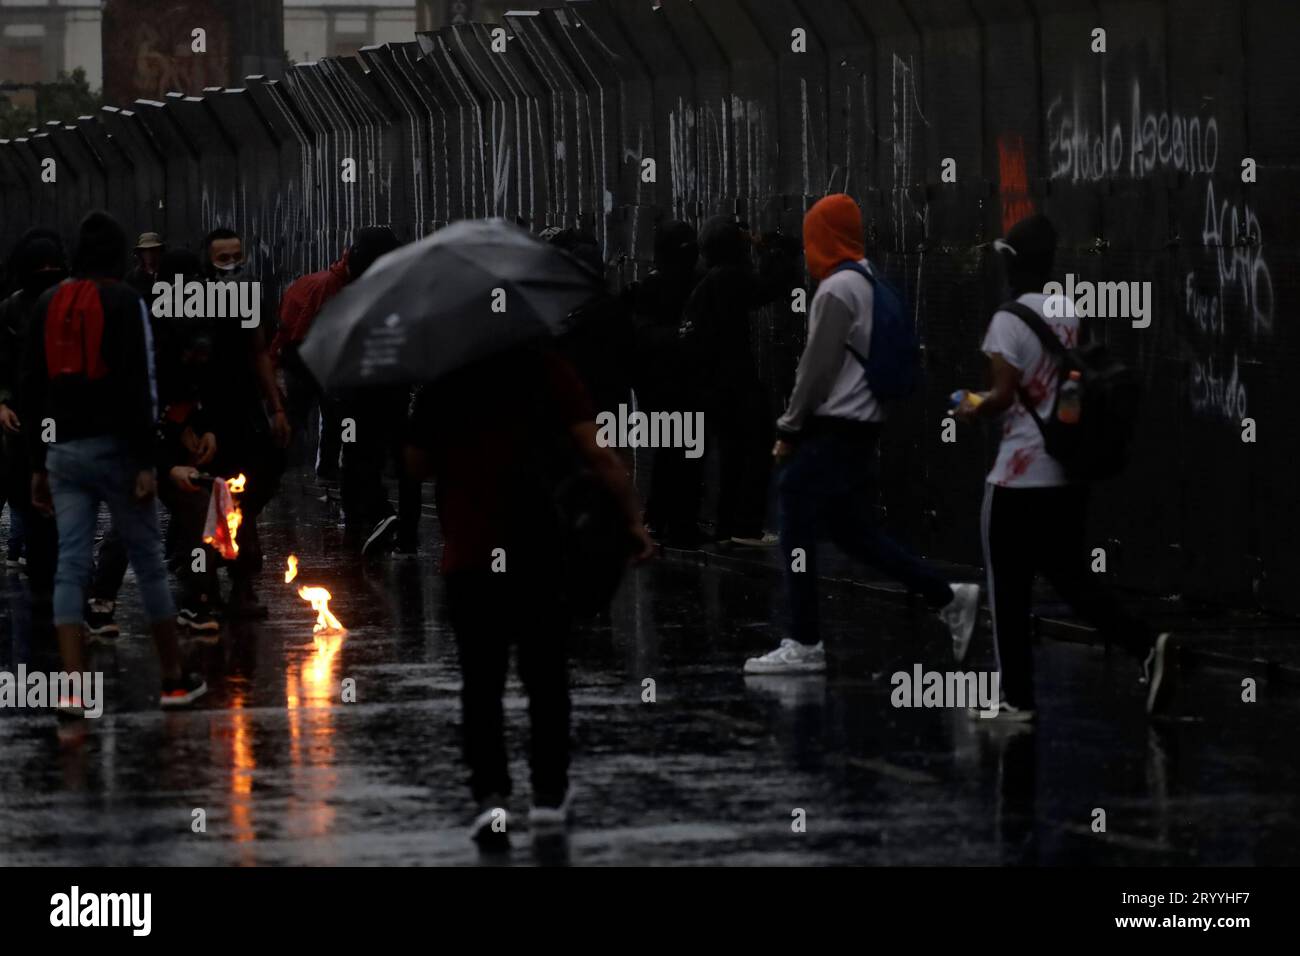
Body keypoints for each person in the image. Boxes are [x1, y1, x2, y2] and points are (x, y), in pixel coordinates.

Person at [405, 345, 654, 849]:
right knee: (546, 677)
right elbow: (597, 452)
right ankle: (548, 794)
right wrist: (631, 521)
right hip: (540, 551)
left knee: (481, 683)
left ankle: (491, 797)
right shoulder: (548, 369)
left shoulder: (443, 379)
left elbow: (414, 464)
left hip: (471, 556)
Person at [745, 193, 979, 676]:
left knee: (792, 515)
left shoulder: (835, 290)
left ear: (823, 239)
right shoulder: (870, 281)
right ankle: (947, 596)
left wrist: (789, 427)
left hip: (833, 427)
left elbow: (815, 370)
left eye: (812, 238)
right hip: (862, 426)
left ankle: (805, 641)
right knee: (852, 533)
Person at [953, 213, 1170, 720]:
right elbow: (1070, 391)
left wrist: (969, 405)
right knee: (1074, 580)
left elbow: (1002, 397)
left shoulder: (1007, 320)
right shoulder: (1069, 310)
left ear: (1011, 264)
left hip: (1016, 480)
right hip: (1066, 476)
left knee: (1008, 589)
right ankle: (1146, 646)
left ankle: (1014, 699)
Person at [23, 211, 205, 711]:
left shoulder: (47, 303)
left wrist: (39, 464)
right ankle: (173, 677)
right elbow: (140, 385)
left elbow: (33, 388)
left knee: (70, 564)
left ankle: (72, 689)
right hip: (119, 451)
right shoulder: (127, 301)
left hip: (64, 453)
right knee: (148, 562)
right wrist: (148, 460)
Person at [681, 215, 799, 546]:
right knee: (754, 447)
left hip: (713, 382)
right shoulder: (728, 277)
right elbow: (768, 288)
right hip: (734, 379)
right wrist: (780, 253)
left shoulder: (708, 279)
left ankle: (729, 525)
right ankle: (745, 525)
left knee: (733, 451)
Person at [194, 226, 290, 616]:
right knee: (210, 500)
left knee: (246, 498)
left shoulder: (248, 297)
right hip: (207, 414)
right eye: (223, 258)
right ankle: (206, 589)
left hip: (243, 413)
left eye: (238, 256)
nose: (232, 265)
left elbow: (259, 352)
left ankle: (242, 585)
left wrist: (276, 408)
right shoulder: (193, 301)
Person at [627, 220, 704, 547]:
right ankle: (670, 522)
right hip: (669, 384)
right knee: (677, 455)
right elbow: (642, 335)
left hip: (670, 384)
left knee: (675, 455)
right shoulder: (661, 286)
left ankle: (670, 522)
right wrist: (679, 338)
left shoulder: (673, 283)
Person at [0, 229, 68, 596]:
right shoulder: (11, 310)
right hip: (26, 426)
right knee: (33, 505)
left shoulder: (71, 304)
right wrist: (3, 404)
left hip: (63, 425)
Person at [125, 232, 163, 299]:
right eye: (145, 250)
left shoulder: (169, 273)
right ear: (140, 253)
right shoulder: (132, 277)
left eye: (153, 249)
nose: (149, 253)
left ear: (160, 251)